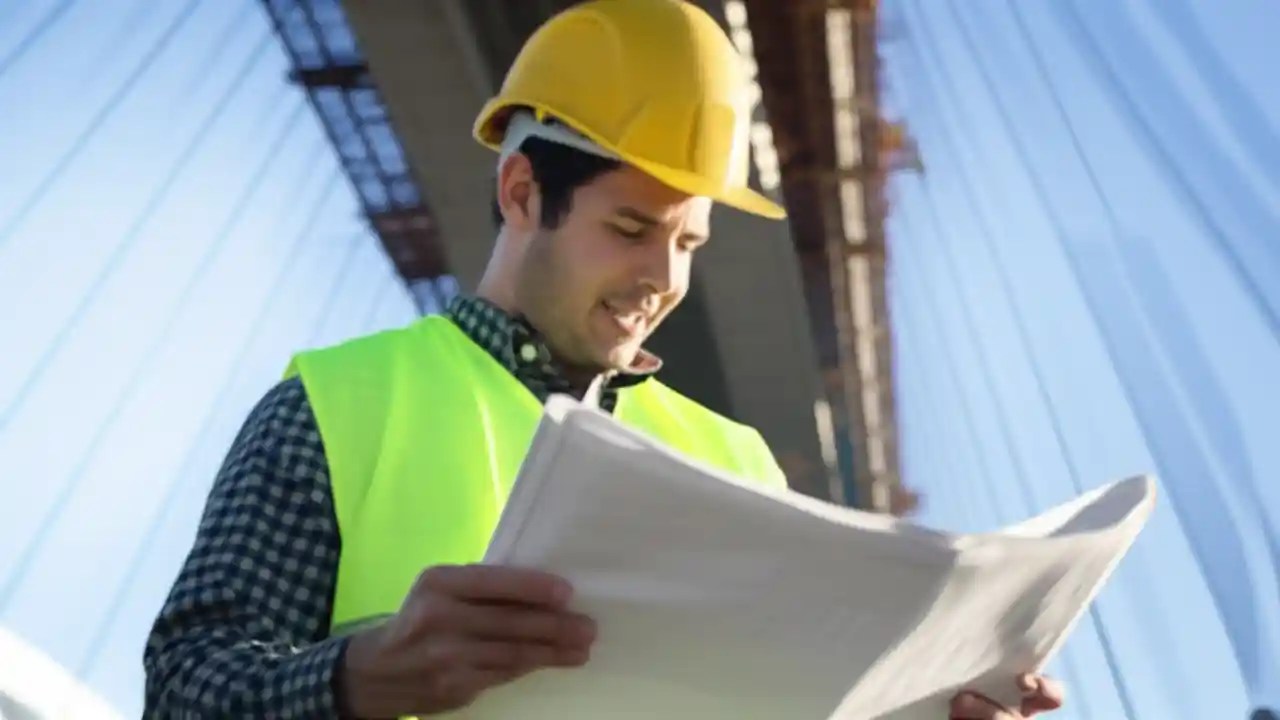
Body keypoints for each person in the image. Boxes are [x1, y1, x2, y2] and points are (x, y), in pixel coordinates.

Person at [142, 1, 1067, 718]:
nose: (663, 278)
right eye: (630, 228)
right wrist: (360, 677)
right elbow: (185, 692)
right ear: (521, 191)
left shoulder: (741, 463)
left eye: (689, 242)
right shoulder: (340, 406)